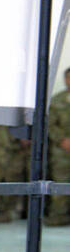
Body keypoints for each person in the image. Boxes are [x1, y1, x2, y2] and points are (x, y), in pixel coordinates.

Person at [47, 68, 70, 226]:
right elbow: (50, 125)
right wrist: (62, 139)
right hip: (62, 150)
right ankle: (58, 216)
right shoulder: (56, 101)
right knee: (60, 182)